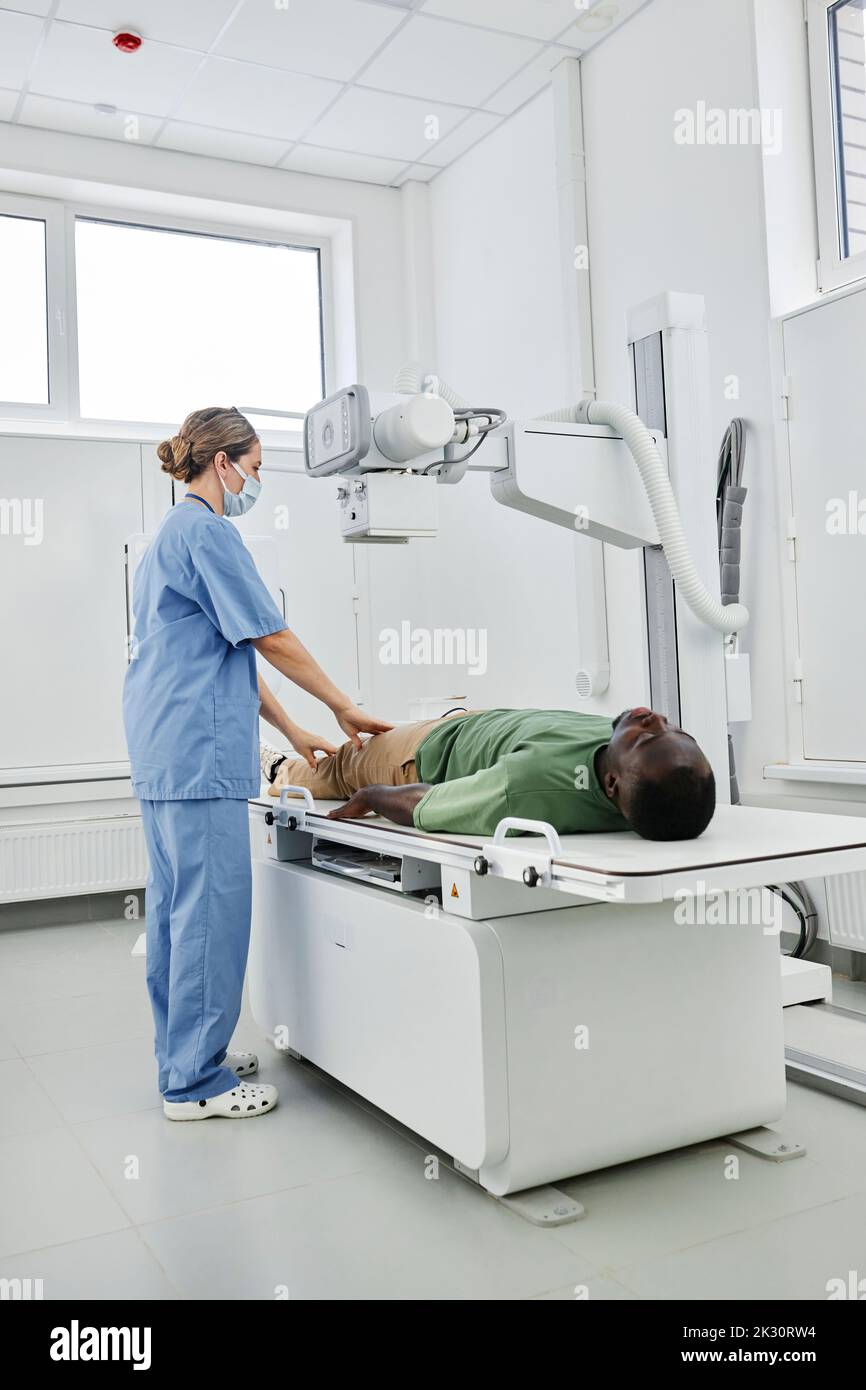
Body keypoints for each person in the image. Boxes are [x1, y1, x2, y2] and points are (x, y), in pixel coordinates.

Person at [123, 407, 392, 1123]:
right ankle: (195, 1084)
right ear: (225, 463)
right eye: (257, 468)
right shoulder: (210, 533)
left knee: (179, 914)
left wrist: (295, 729)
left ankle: (183, 1055)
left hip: (164, 749)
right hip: (198, 752)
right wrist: (341, 705)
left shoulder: (166, 539)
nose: (255, 483)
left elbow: (229, 649)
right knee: (209, 912)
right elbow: (269, 635)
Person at [260, 706, 716, 841]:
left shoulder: (527, 787)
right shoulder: (642, 774)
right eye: (675, 729)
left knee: (337, 767)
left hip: (423, 754)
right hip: (481, 723)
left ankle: (276, 764)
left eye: (646, 735)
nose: (652, 718)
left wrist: (372, 795)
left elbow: (429, 805)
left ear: (612, 785)